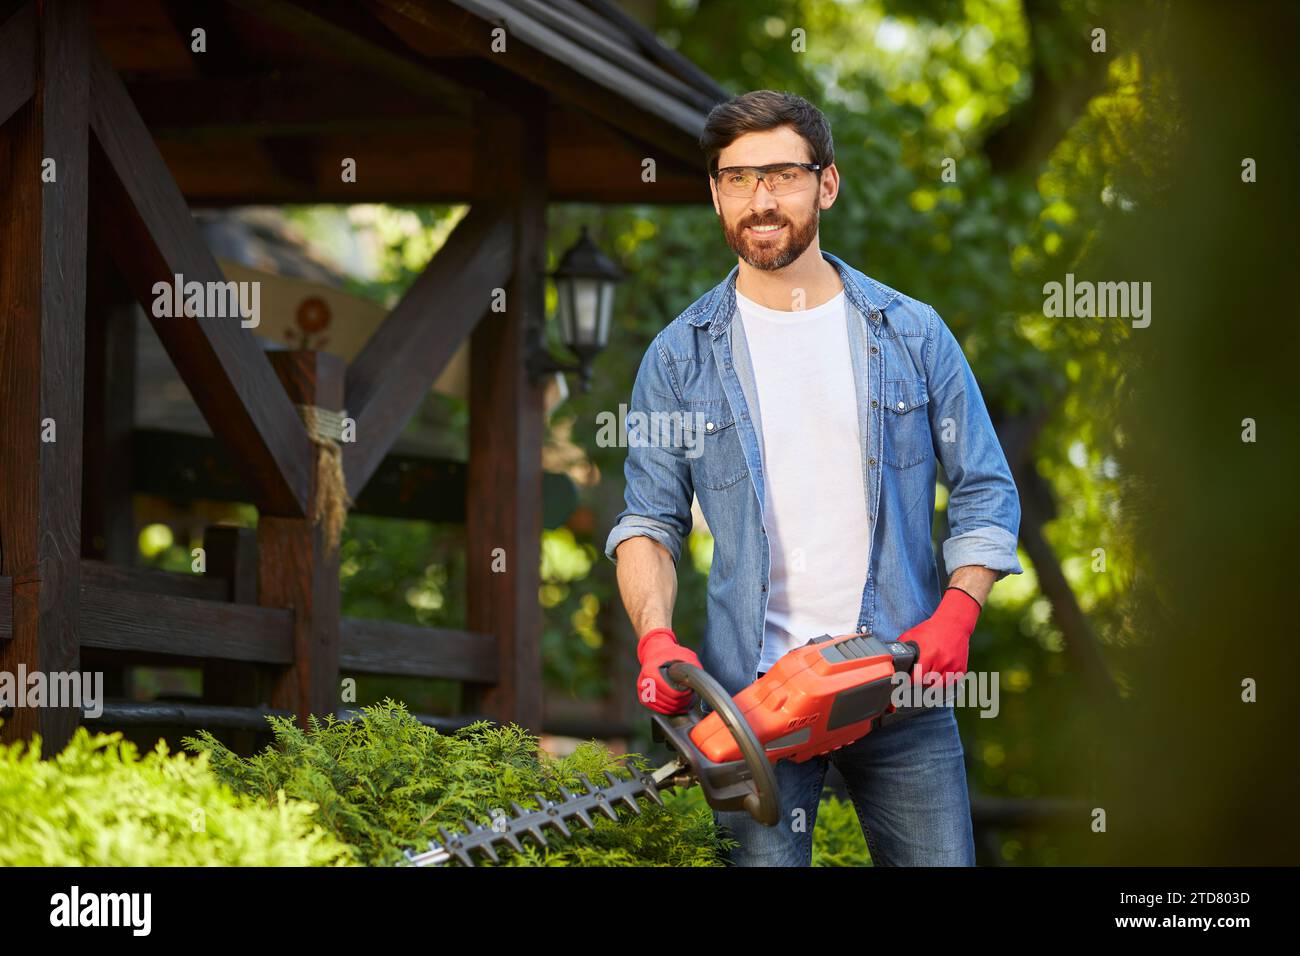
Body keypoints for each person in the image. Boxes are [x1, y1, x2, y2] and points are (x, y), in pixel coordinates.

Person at [604, 90, 1022, 866]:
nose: (760, 201)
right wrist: (655, 636)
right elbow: (649, 523)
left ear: (826, 185)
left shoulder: (911, 333)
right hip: (753, 703)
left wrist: (958, 612)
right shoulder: (677, 357)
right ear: (715, 193)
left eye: (783, 175)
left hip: (903, 690)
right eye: (737, 179)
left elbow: (984, 488)